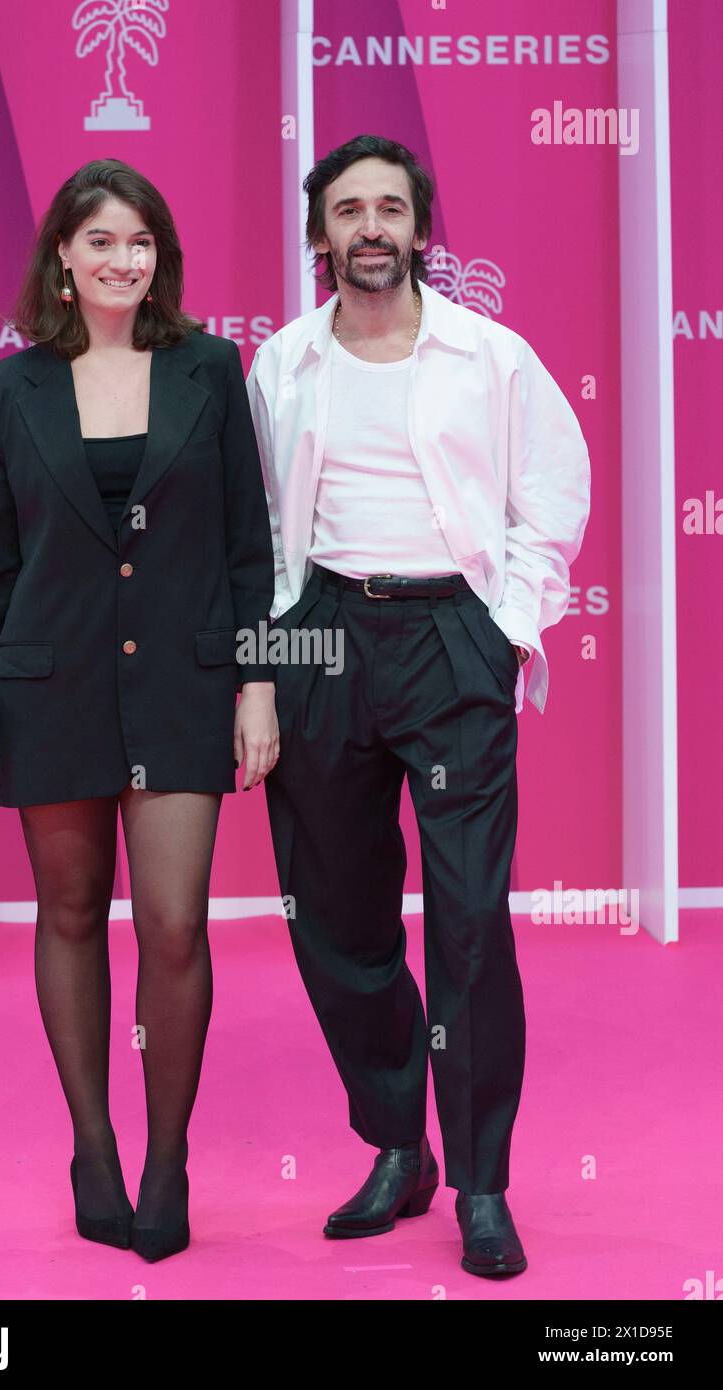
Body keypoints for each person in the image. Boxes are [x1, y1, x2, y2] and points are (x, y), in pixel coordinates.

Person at [246, 134, 591, 1277]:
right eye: (348, 210)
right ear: (321, 235)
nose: (371, 228)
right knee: (335, 918)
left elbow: (552, 494)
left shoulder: (487, 357)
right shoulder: (282, 364)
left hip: (452, 640)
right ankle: (399, 1143)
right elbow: (257, 533)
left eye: (390, 207)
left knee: (467, 919)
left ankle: (482, 1180)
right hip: (322, 639)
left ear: (420, 230)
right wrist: (271, 662)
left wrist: (507, 628)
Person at [0, 158, 278, 1263]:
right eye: (101, 243)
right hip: (49, 680)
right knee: (69, 915)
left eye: (141, 243)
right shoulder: (6, 390)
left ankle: (168, 1161)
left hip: (182, 680)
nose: (123, 260)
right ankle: (92, 1145)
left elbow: (245, 545)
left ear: (159, 259)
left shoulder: (211, 371)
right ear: (63, 263)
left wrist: (255, 678)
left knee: (172, 922)